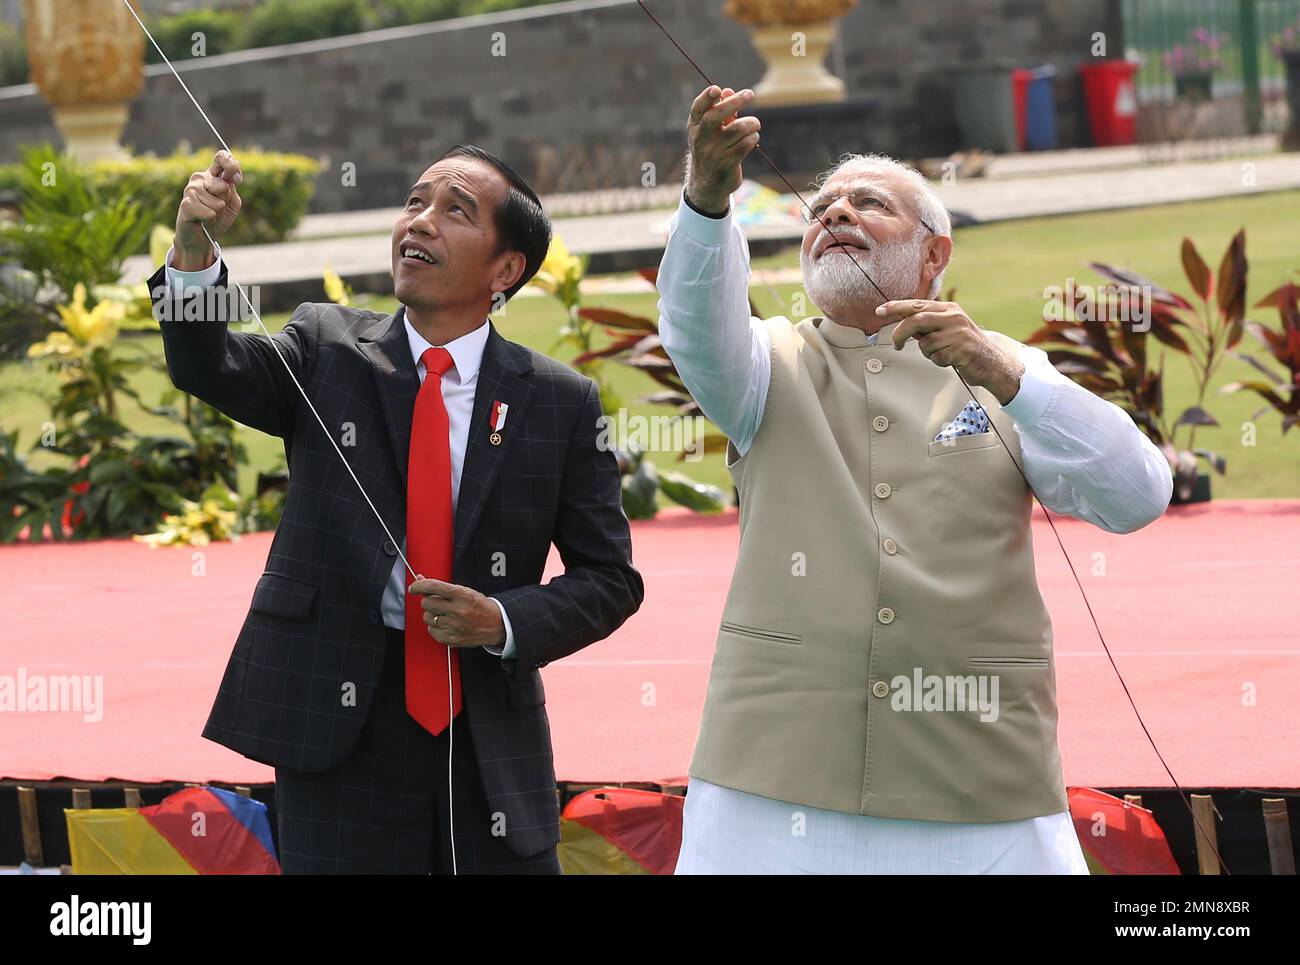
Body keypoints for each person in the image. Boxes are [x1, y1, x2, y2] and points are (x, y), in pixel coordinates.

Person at [658, 86, 1173, 874]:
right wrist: (705, 195)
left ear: (935, 255)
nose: (835, 214)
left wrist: (1007, 375)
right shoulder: (763, 363)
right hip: (778, 772)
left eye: (870, 203)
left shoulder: (1003, 369)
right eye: (821, 208)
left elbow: (1138, 494)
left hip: (978, 766)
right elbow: (695, 325)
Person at [149, 146, 644, 874]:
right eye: (415, 202)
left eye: (455, 210)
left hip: (487, 743)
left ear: (505, 270)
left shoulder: (560, 402)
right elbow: (204, 364)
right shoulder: (325, 348)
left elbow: (610, 579)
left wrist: (502, 620)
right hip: (339, 729)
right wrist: (194, 247)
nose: (421, 221)